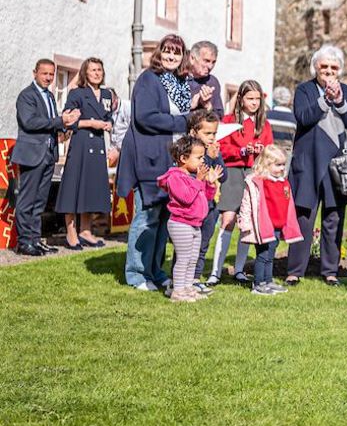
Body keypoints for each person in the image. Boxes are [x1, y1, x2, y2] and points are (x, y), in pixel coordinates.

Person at [117, 33, 211, 291]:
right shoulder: (148, 79)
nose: (171, 56)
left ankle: (155, 271)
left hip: (169, 161)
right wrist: (184, 122)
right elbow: (145, 117)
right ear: (159, 53)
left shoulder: (180, 83)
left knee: (163, 219)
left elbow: (186, 113)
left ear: (183, 57)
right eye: (167, 51)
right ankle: (137, 274)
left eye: (177, 52)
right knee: (147, 217)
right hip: (148, 158)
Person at [286, 44, 347, 286]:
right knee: (303, 218)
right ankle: (295, 271)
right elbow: (304, 117)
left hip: (338, 164)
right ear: (315, 67)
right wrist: (324, 100)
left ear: (340, 69)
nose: (329, 70)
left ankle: (329, 271)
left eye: (334, 67)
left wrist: (339, 100)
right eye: (324, 66)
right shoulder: (304, 90)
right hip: (308, 162)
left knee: (334, 218)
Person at [12, 59, 80, 256]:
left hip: (48, 154)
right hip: (32, 155)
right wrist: (60, 120)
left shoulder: (50, 96)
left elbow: (50, 123)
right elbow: (29, 122)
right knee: (27, 201)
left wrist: (65, 126)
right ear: (35, 73)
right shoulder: (26, 96)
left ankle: (35, 240)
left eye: (51, 74)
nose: (49, 78)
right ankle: (24, 242)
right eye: (45, 74)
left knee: (40, 202)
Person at [207, 80, 272, 286]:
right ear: (241, 99)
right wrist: (241, 151)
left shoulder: (265, 124)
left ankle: (239, 269)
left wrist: (260, 151)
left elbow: (269, 150)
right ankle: (215, 272)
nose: (254, 103)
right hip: (233, 171)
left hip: (254, 173)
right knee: (228, 219)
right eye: (249, 98)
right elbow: (221, 149)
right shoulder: (228, 121)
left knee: (248, 223)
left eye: (257, 99)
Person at [55, 57, 115, 250]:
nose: (97, 73)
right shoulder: (77, 93)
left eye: (99, 69)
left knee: (91, 189)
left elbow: (110, 116)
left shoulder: (107, 94)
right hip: (81, 145)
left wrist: (109, 124)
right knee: (73, 187)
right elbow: (68, 121)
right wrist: (91, 123)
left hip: (98, 146)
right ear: (85, 73)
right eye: (93, 70)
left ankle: (86, 231)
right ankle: (71, 233)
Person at [157, 136, 221, 302]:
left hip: (194, 224)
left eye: (203, 157)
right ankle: (177, 291)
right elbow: (186, 198)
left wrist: (210, 184)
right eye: (199, 157)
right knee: (183, 259)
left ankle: (187, 288)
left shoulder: (193, 177)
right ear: (183, 158)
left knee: (192, 259)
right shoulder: (175, 177)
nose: (202, 161)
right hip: (181, 223)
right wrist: (199, 181)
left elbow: (206, 197)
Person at [238, 145, 302, 295]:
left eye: (283, 165)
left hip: (277, 226)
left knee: (271, 254)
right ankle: (258, 283)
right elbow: (247, 203)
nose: (281, 168)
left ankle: (268, 281)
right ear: (266, 164)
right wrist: (245, 222)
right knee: (262, 255)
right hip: (263, 225)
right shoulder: (258, 182)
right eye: (277, 164)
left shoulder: (282, 182)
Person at [187, 110, 225, 295]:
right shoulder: (190, 151)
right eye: (207, 133)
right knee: (188, 245)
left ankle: (195, 279)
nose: (211, 137)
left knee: (203, 245)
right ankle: (180, 280)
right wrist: (208, 157)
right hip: (192, 207)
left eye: (214, 133)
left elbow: (222, 176)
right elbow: (196, 173)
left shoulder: (214, 150)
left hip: (210, 205)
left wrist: (216, 157)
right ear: (194, 132)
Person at [188, 41, 222, 116]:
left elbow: (219, 117)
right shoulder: (179, 78)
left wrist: (208, 106)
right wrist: (190, 105)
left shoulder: (212, 82)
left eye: (213, 62)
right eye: (206, 61)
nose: (210, 66)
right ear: (192, 58)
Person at [267, 86, 298, 163]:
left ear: (274, 99)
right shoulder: (295, 119)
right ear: (289, 100)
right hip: (286, 156)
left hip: (269, 154)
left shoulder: (266, 116)